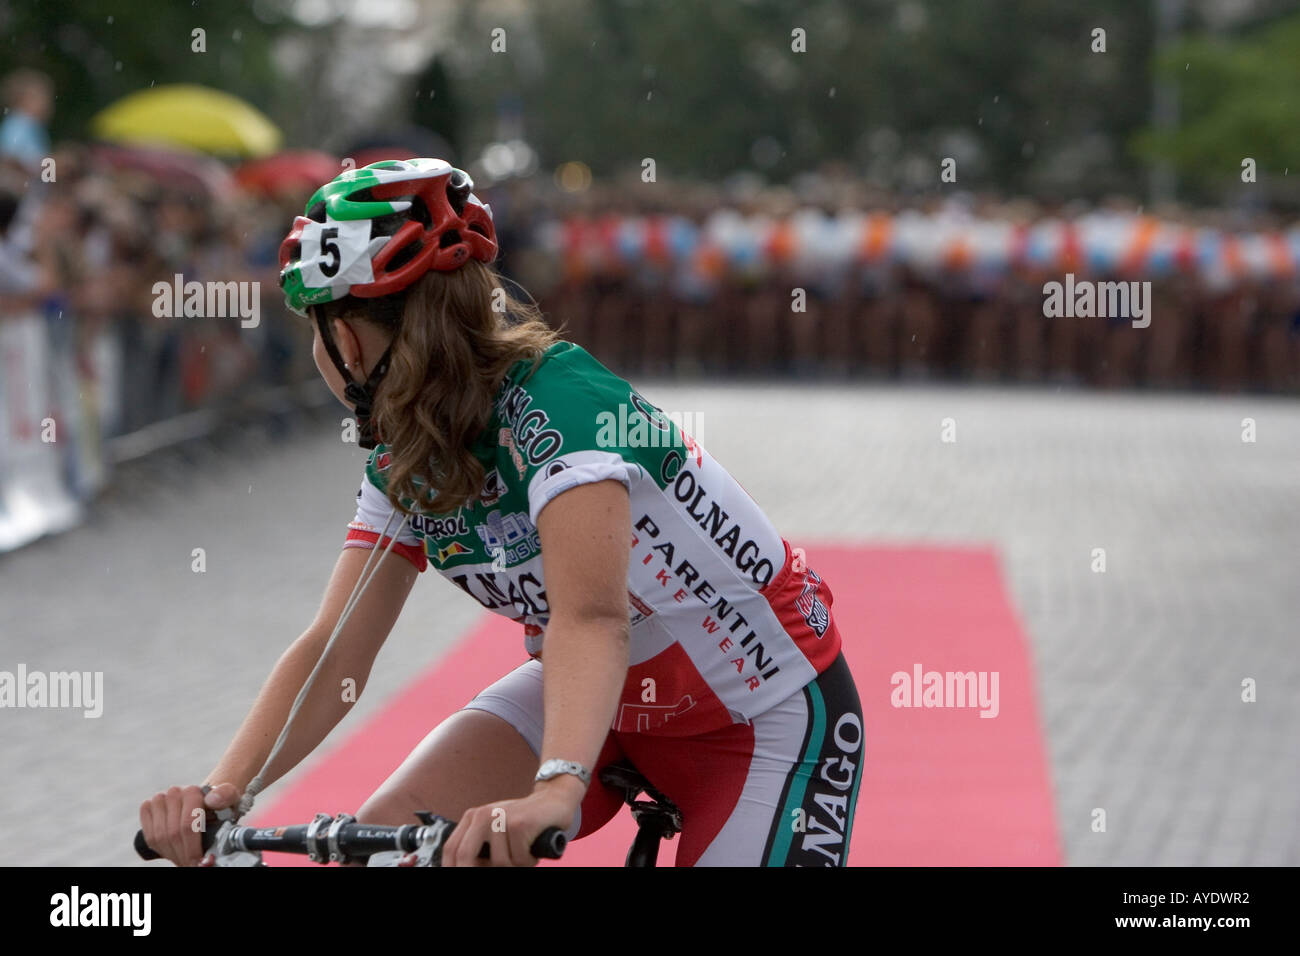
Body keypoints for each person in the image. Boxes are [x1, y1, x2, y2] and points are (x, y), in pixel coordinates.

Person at [139, 158, 863, 867]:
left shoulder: (563, 411)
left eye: (315, 328)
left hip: (763, 715)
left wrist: (558, 786)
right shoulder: (405, 458)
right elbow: (336, 650)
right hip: (599, 701)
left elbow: (592, 618)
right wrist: (222, 794)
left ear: (348, 340)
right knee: (387, 846)